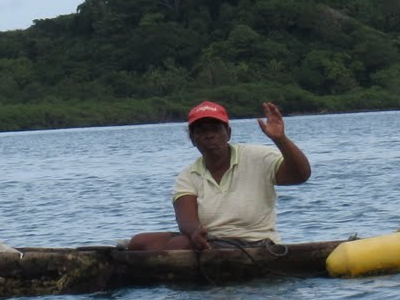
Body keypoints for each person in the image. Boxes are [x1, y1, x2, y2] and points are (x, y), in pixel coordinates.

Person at [127, 100, 312, 251]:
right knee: (139, 242)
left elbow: (300, 175)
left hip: (256, 243)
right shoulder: (188, 175)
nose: (209, 136)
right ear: (192, 139)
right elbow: (186, 219)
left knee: (179, 245)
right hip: (210, 242)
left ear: (228, 133)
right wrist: (195, 232)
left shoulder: (259, 157)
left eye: (215, 129)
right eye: (201, 131)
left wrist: (280, 139)